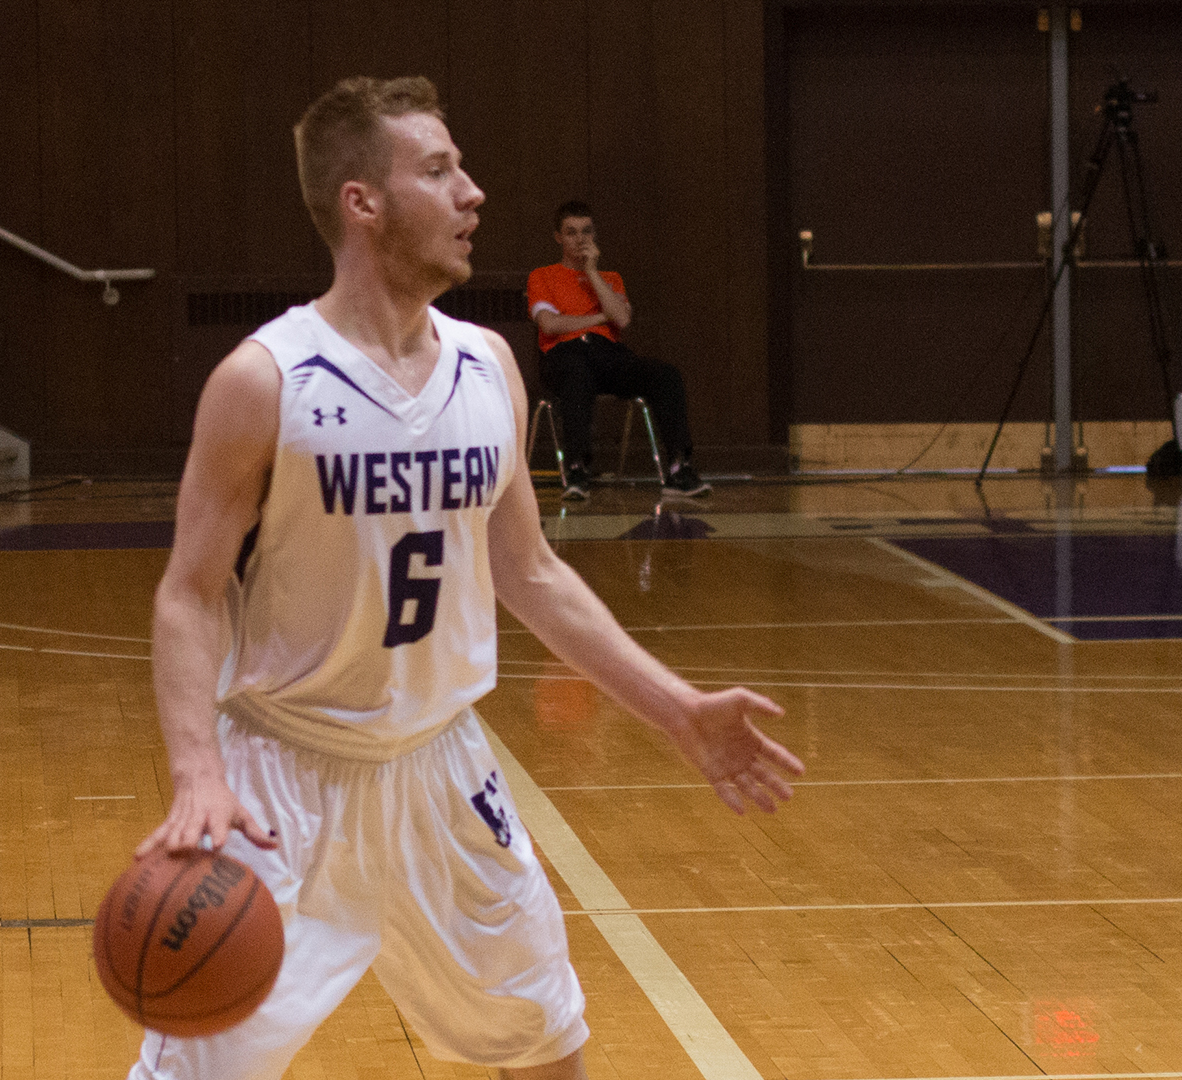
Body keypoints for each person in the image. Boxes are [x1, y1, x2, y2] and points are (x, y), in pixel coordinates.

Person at [127, 76, 804, 1080]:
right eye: (439, 171)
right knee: (197, 1068)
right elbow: (186, 595)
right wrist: (197, 776)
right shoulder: (266, 380)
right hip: (285, 776)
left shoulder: (488, 363)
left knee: (544, 1046)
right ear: (363, 201)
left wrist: (675, 708)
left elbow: (529, 571)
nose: (473, 193)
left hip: (446, 769)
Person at [527, 202, 710, 500]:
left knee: (665, 375)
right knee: (576, 374)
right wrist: (601, 318)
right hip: (563, 355)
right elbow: (550, 324)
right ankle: (577, 470)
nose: (580, 239)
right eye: (571, 233)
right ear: (558, 237)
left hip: (607, 354)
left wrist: (592, 272)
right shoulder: (543, 276)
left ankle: (680, 470)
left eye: (586, 232)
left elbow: (622, 319)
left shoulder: (610, 278)